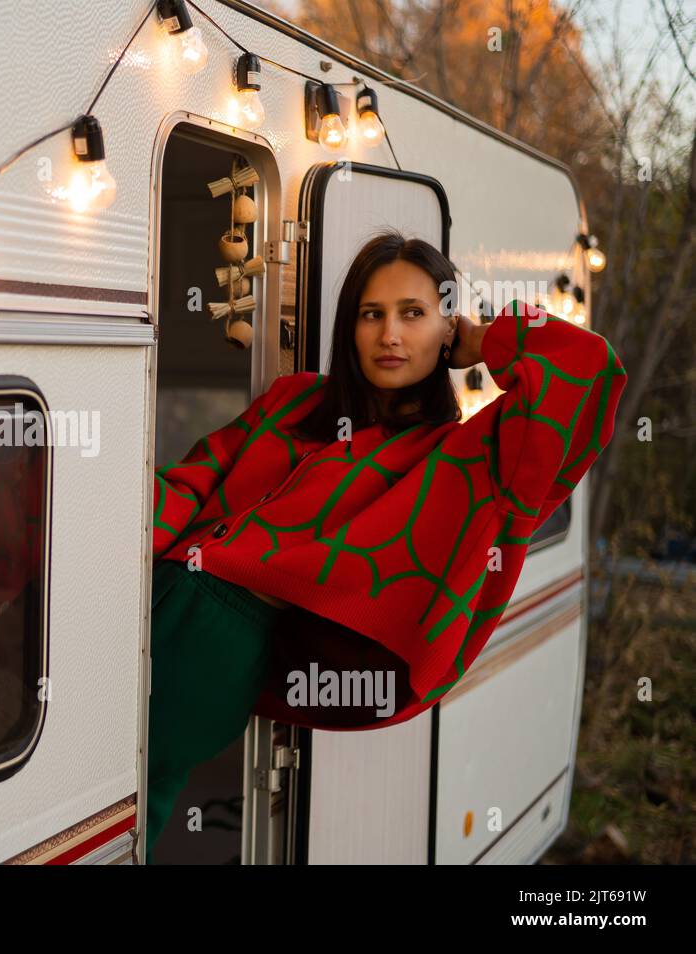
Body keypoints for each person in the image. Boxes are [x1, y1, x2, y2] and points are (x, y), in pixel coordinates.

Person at [144, 228, 627, 863]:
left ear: (447, 326)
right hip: (152, 591)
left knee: (126, 802)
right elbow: (196, 478)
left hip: (218, 645)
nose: (390, 334)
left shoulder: (460, 457)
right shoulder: (296, 399)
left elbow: (588, 371)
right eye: (372, 314)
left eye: (414, 314)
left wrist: (482, 340)